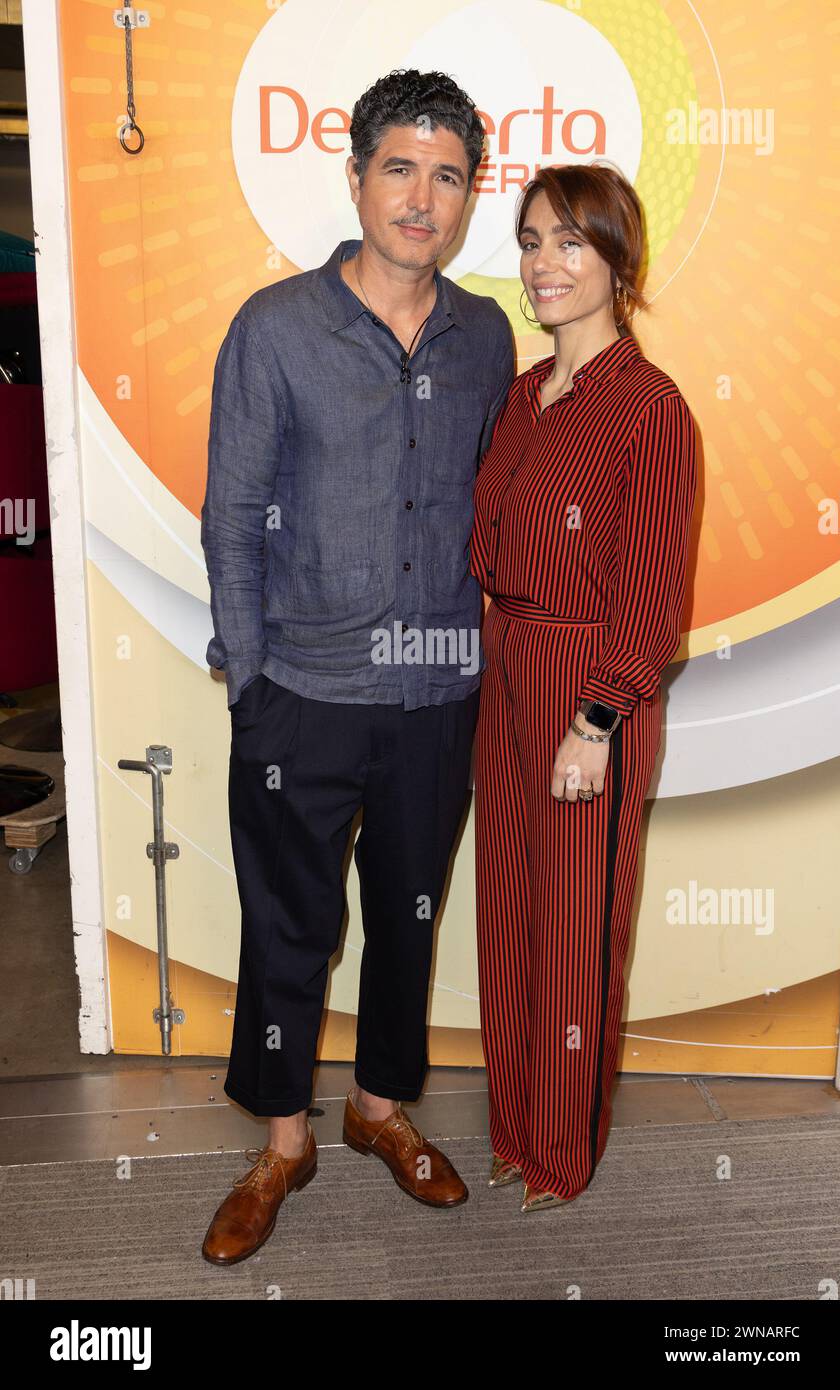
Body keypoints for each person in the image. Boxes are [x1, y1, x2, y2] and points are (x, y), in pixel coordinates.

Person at [199, 69, 514, 1264]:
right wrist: (250, 685)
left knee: (408, 916)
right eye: (400, 167)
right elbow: (232, 517)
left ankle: (379, 1110)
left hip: (438, 691)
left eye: (446, 174)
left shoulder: (486, 334)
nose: (421, 197)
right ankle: (284, 1141)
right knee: (289, 924)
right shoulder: (275, 327)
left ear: (468, 195)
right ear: (356, 175)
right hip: (302, 696)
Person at [469, 162, 698, 1212]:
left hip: (584, 691)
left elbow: (651, 598)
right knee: (507, 913)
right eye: (529, 241)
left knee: (572, 926)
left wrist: (595, 718)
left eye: (569, 241)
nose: (543, 263)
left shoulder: (649, 410)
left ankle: (561, 1151)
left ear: (618, 260)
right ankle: (512, 1126)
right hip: (505, 671)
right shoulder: (523, 395)